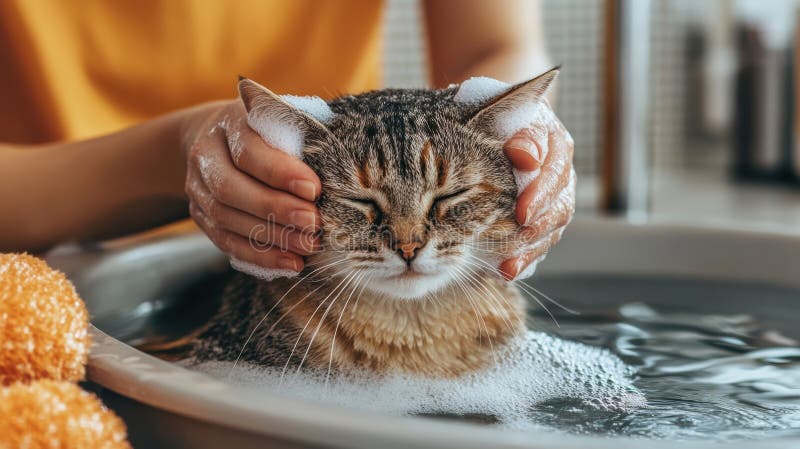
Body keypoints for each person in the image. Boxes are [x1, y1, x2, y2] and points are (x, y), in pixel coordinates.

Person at [0, 0, 574, 281]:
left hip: (325, 247)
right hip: (42, 258)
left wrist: (523, 132)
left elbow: (496, 46)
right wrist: (177, 151)